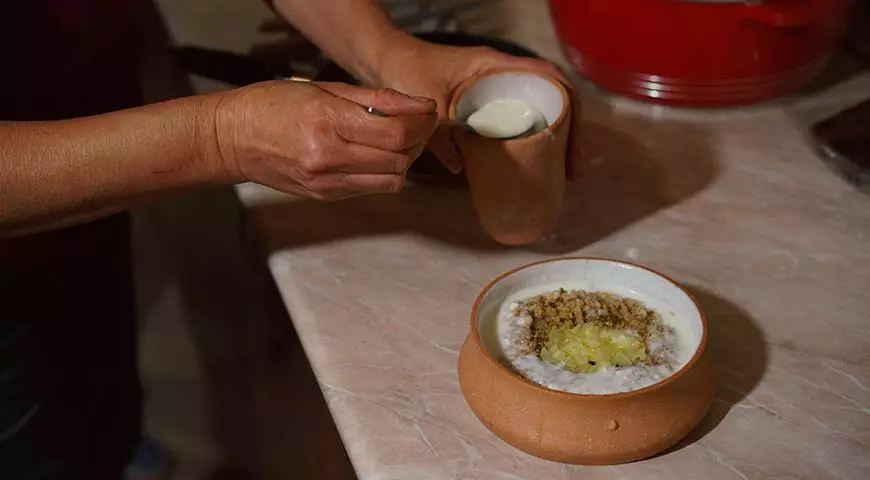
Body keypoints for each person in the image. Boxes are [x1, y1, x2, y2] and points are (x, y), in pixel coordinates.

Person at [0, 0, 580, 478]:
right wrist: (220, 138)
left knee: (95, 395)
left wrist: (388, 52)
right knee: (45, 436)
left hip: (74, 130)